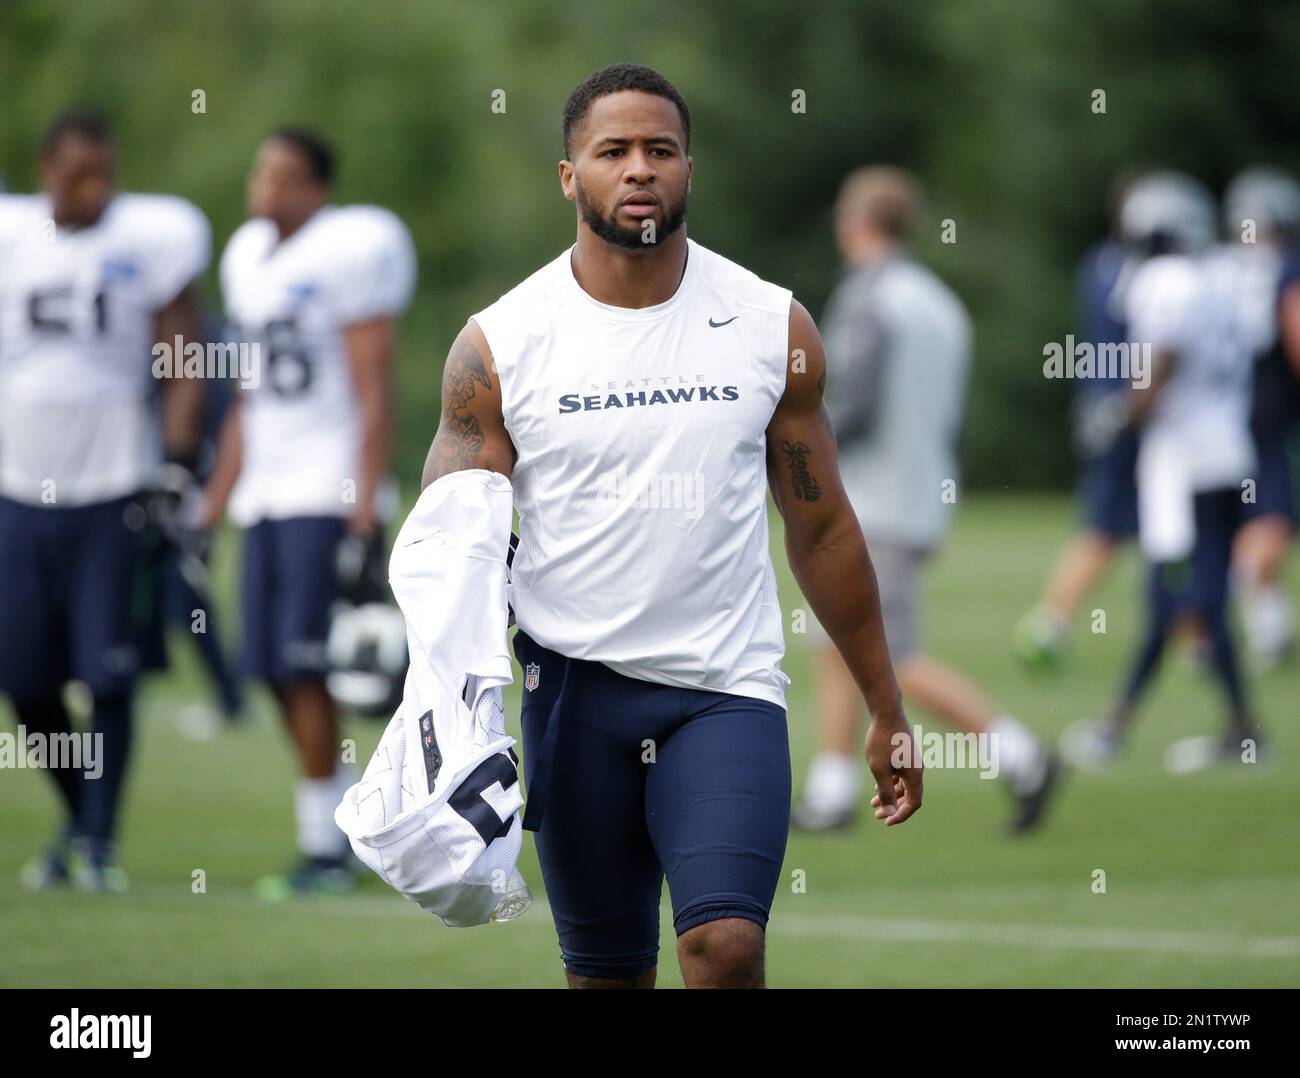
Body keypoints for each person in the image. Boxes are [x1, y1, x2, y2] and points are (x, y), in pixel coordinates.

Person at [421, 63, 921, 989]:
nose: (639, 169)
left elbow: (824, 531)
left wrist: (886, 706)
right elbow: (453, 541)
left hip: (721, 693)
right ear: (570, 176)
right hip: (574, 697)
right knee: (608, 977)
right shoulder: (498, 344)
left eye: (660, 150)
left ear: (691, 168)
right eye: (612, 152)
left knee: (724, 947)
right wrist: (439, 709)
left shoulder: (773, 327)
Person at [792, 167, 1059, 835]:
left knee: (892, 657)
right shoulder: (941, 302)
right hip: (920, 494)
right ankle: (829, 790)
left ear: (856, 224)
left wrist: (791, 450)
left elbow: (852, 407)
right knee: (837, 639)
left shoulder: (869, 296)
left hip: (874, 498)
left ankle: (1022, 758)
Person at [201, 128, 416, 899]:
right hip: (266, 491)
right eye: (263, 170)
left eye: (286, 176)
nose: (267, 186)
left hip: (327, 491)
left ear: (319, 189)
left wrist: (363, 513)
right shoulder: (246, 256)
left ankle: (336, 844)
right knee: (270, 668)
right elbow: (243, 400)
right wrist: (211, 502)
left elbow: (374, 389)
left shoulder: (350, 249)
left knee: (317, 671)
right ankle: (339, 829)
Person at [0, 108, 210, 891]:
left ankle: (97, 842)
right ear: (46, 166)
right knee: (23, 676)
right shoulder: (12, 237)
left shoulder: (145, 240)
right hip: (19, 486)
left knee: (110, 672)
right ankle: (79, 816)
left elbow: (184, 356)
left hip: (115, 485)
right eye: (81, 172)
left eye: (106, 174)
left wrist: (180, 466)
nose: (97, 189)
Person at [1061, 173, 1267, 773]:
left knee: (1194, 593)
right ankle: (1123, 724)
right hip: (1227, 451)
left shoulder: (1165, 281)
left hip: (1185, 461)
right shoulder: (1223, 272)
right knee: (1171, 594)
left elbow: (1162, 366)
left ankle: (1240, 730)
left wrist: (1119, 416)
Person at [1015, 175, 1145, 672]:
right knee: (1118, 527)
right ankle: (1050, 621)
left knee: (1114, 526)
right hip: (1130, 410)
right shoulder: (1141, 272)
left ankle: (1194, 630)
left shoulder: (1098, 264)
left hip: (1102, 405)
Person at [1222, 168, 1300, 669]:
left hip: (1221, 415)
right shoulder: (1285, 267)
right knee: (1274, 519)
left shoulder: (1222, 266)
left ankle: (1267, 622)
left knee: (1248, 517)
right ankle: (1228, 600)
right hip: (1269, 413)